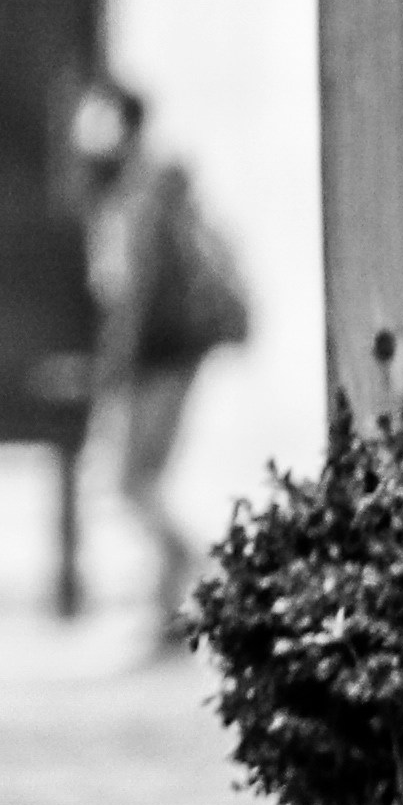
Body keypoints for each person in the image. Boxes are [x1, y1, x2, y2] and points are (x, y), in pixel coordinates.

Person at [66, 77, 245, 642]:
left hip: (162, 352)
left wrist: (114, 364)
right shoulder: (125, 189)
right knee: (138, 481)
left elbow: (135, 295)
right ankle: (174, 599)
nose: (82, 129)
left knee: (133, 481)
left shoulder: (142, 193)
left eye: (95, 117)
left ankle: (208, 577)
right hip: (161, 352)